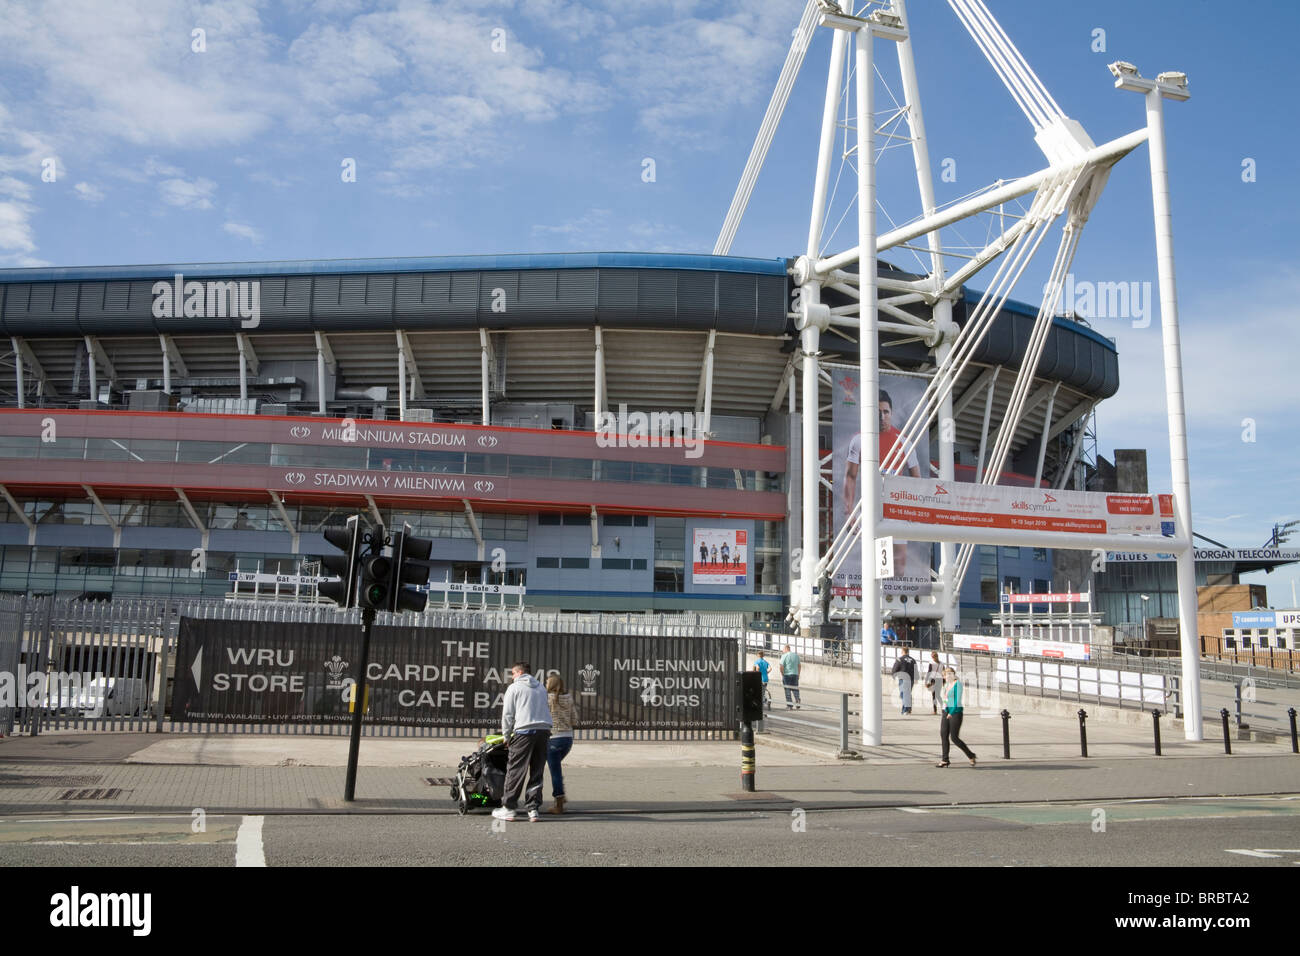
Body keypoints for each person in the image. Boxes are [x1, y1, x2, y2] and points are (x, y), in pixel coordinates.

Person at [492, 661, 552, 822]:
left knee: (516, 769)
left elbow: (508, 714)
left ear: (519, 672)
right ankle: (533, 809)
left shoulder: (514, 687)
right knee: (537, 771)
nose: (512, 677)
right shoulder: (541, 687)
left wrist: (506, 735)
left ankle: (509, 808)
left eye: (513, 673)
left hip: (525, 731)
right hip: (544, 730)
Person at [545, 675, 575, 815]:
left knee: (555, 771)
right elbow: (575, 719)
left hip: (553, 738)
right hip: (568, 738)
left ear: (550, 684)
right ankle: (561, 795)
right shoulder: (569, 698)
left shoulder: (547, 699)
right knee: (556, 769)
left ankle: (559, 803)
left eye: (546, 681)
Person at [937, 667, 976, 768]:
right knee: (943, 734)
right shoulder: (946, 685)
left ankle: (970, 755)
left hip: (956, 712)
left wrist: (952, 712)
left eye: (949, 674)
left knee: (954, 737)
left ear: (953, 675)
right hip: (946, 711)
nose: (946, 677)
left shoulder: (957, 684)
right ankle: (945, 759)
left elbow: (957, 700)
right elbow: (945, 698)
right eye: (945, 675)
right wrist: (945, 708)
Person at [890, 645, 916, 714]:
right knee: (907, 694)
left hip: (903, 679)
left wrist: (893, 674)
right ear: (908, 652)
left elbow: (895, 668)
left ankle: (905, 710)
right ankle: (908, 708)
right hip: (911, 679)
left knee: (903, 694)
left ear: (903, 652)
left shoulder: (899, 659)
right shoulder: (913, 660)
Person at [778, 644, 801, 710]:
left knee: (787, 690)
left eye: (783, 649)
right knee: (795, 689)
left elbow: (781, 666)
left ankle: (790, 706)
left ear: (786, 649)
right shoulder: (796, 655)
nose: (782, 651)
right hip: (795, 674)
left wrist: (783, 674)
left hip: (787, 675)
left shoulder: (784, 656)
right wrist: (798, 674)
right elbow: (799, 665)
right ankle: (797, 701)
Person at [924, 651, 944, 715]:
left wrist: (926, 680)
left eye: (933, 657)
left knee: (935, 695)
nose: (932, 658)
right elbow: (944, 673)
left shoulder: (932, 663)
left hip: (934, 680)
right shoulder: (942, 663)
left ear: (935, 656)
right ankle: (940, 709)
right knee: (936, 695)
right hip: (939, 680)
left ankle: (937, 710)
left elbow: (929, 672)